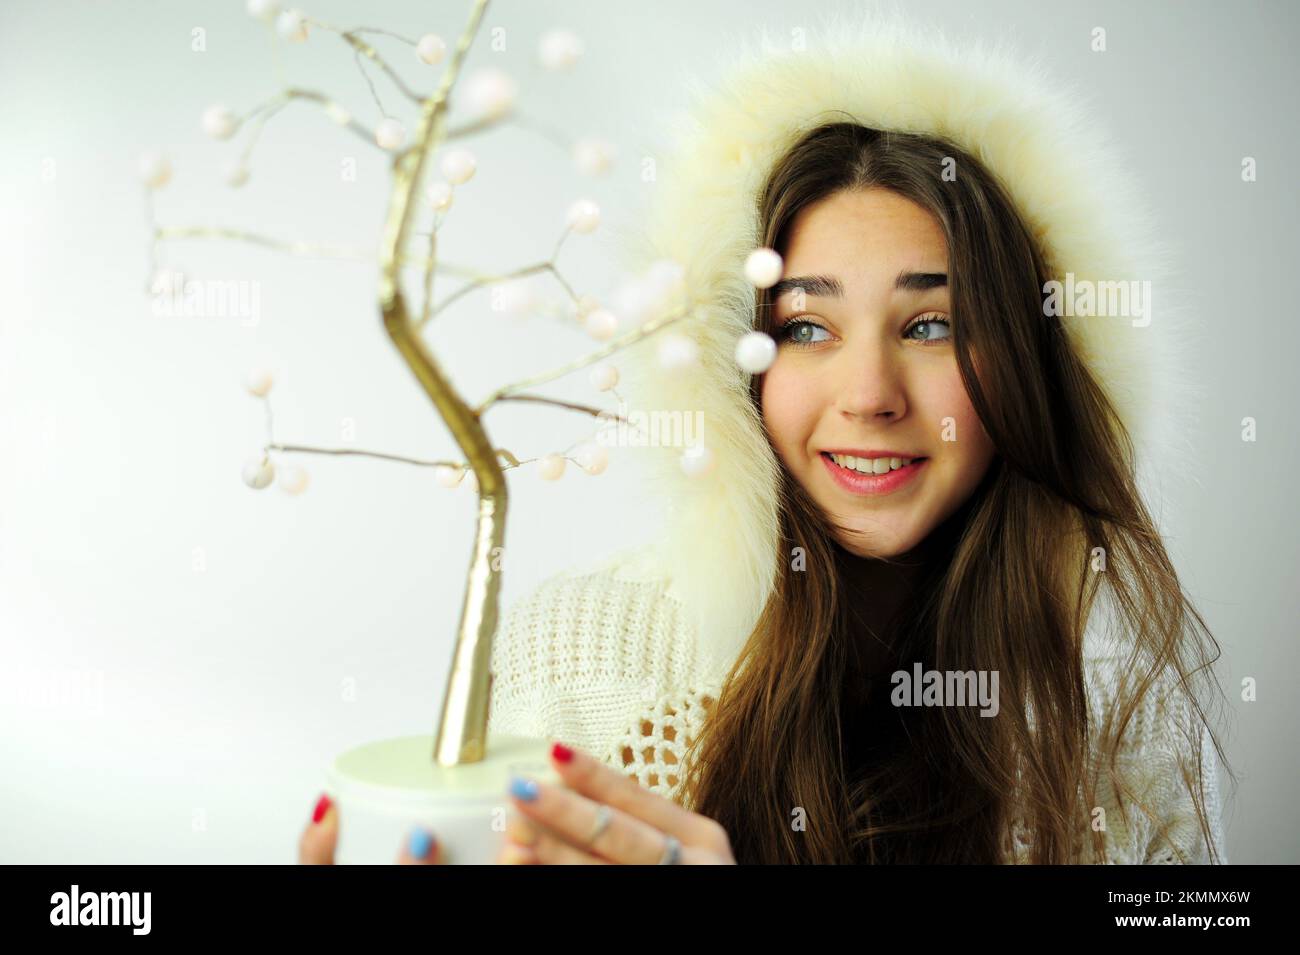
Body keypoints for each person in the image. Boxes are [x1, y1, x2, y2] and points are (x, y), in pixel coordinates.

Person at [300, 9, 1233, 865]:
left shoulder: (1121, 722)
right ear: (731, 365)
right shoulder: (585, 660)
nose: (868, 395)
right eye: (805, 328)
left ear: (1032, 365)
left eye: (931, 325)